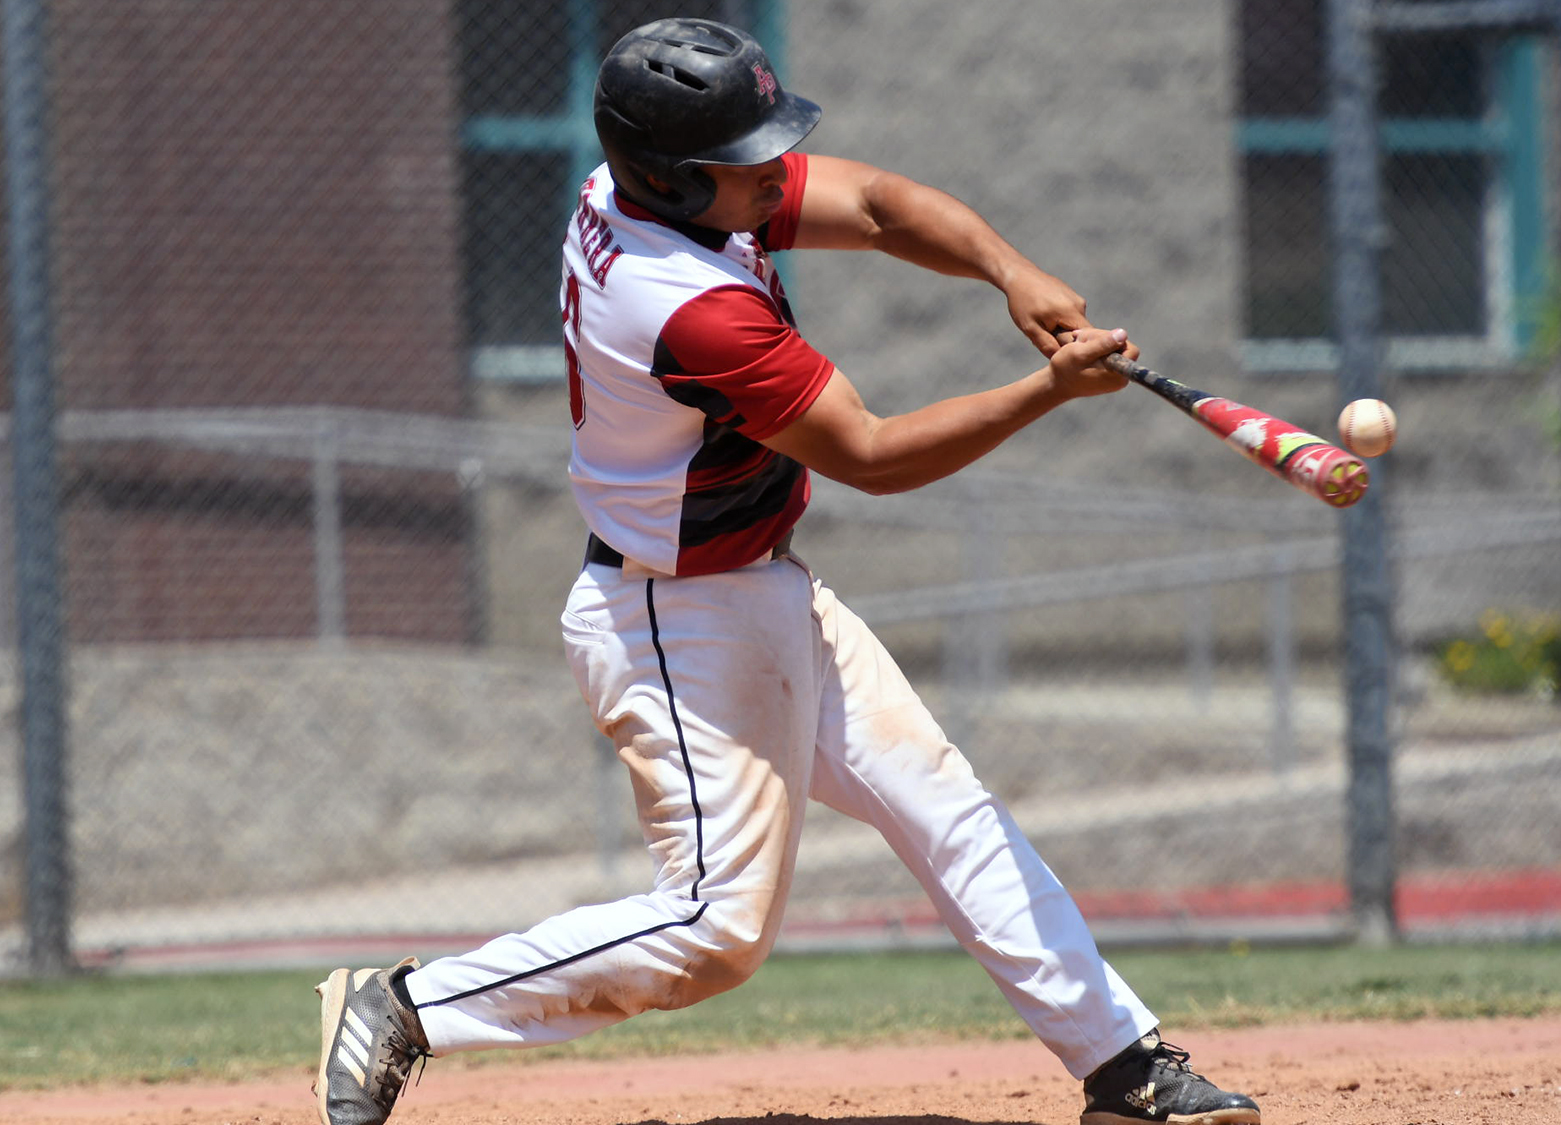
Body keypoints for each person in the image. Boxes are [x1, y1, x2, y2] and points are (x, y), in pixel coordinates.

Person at [315, 18, 1260, 1125]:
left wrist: (1011, 272)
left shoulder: (652, 189)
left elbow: (871, 206)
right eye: (744, 157)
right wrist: (1048, 391)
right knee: (715, 932)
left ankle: (1122, 1065)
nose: (772, 172)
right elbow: (872, 454)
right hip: (671, 622)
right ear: (667, 175)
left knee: (944, 807)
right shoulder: (686, 307)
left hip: (757, 587)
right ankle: (406, 1007)